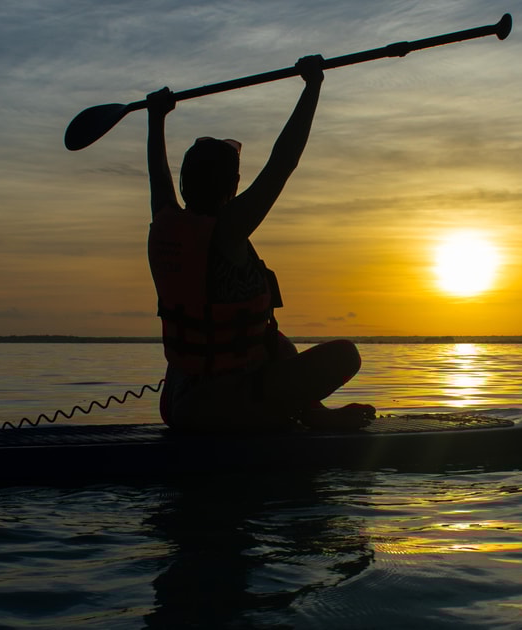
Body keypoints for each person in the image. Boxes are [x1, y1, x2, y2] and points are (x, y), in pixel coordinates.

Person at [145, 55, 375, 433]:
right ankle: (303, 419)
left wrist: (156, 119)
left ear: (186, 182)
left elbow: (157, 172)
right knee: (344, 356)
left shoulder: (165, 221)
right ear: (232, 185)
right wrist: (312, 86)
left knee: (275, 343)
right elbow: (283, 162)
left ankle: (312, 413)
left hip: (180, 402)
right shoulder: (228, 230)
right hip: (222, 406)